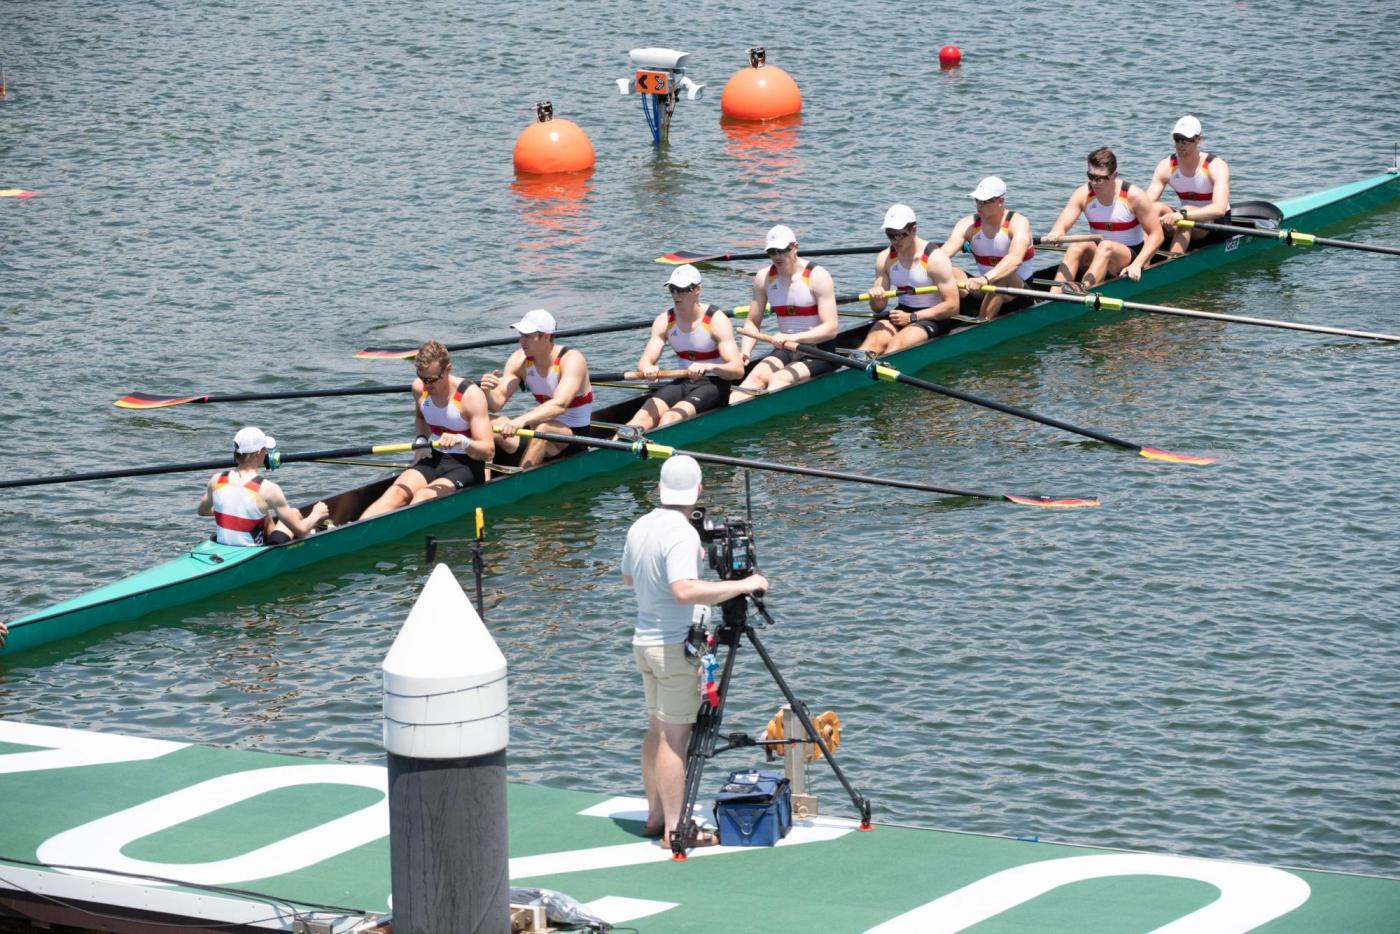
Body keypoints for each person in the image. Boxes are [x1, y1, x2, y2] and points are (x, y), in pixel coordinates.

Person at [621, 455, 769, 847]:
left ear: (660, 489)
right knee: (675, 739)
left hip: (644, 642)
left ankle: (654, 816)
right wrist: (743, 585)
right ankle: (675, 829)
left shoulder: (641, 525)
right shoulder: (682, 533)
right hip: (672, 647)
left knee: (655, 730)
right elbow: (684, 590)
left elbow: (628, 576)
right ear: (698, 491)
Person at [359, 340, 492, 520]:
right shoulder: (419, 388)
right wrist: (421, 439)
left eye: (431, 380)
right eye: (422, 378)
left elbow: (488, 450)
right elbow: (421, 418)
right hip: (434, 457)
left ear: (448, 369)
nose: (427, 385)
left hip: (466, 464)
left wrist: (463, 441)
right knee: (395, 494)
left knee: (422, 498)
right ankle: (351, 535)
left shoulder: (471, 396)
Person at [623, 265, 745, 432]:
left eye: (681, 289)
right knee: (640, 419)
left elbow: (737, 370)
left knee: (670, 418)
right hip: (683, 380)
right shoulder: (665, 320)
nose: (675, 295)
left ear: (697, 290)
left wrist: (709, 366)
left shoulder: (716, 320)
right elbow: (645, 361)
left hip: (714, 382)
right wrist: (647, 368)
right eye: (672, 289)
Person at [731, 225, 840, 403]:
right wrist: (745, 352)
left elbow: (831, 328)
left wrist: (795, 338)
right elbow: (752, 322)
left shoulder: (817, 276)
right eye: (772, 252)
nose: (777, 256)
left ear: (795, 247)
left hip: (819, 351)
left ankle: (769, 421)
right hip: (785, 348)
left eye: (782, 250)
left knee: (779, 379)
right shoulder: (763, 278)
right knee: (753, 378)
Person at [480, 309, 594, 467]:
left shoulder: (571, 359)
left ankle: (520, 485)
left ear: (546, 336)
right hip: (537, 431)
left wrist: (519, 421)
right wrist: (487, 391)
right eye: (521, 335)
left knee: (544, 428)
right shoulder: (519, 360)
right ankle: (479, 479)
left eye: (527, 336)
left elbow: (559, 405)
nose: (521, 341)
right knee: (485, 422)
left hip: (573, 437)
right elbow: (496, 404)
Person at [1043, 147, 1163, 291]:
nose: (1094, 182)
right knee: (1076, 246)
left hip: (1128, 255)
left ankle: (1083, 289)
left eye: (1099, 178)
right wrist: (1057, 233)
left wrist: (1137, 264)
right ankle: (1054, 294)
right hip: (1100, 251)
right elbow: (1062, 224)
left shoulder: (1134, 196)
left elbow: (1157, 235)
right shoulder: (1083, 194)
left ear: (1114, 175)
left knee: (1106, 246)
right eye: (1090, 176)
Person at [857, 204, 964, 355]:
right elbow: (878, 308)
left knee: (896, 346)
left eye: (900, 235)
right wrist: (875, 297)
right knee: (870, 346)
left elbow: (952, 306)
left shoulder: (935, 259)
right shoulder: (885, 258)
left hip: (934, 317)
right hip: (901, 313)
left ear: (914, 229)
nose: (895, 241)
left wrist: (913, 317)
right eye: (890, 235)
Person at [197, 427, 328, 546]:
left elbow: (202, 511)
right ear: (260, 452)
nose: (266, 452)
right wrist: (316, 514)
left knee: (269, 514)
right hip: (250, 555)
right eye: (265, 449)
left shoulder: (217, 480)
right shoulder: (268, 489)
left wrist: (228, 510)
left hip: (224, 549)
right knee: (295, 514)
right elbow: (301, 531)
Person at [940, 177, 1040, 320]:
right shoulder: (967, 225)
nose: (979, 206)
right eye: (977, 200)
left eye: (985, 201)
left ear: (1000, 201)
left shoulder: (1017, 223)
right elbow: (944, 253)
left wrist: (986, 279)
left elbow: (1015, 259)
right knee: (947, 272)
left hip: (1019, 294)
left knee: (1002, 278)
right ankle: (942, 317)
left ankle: (980, 325)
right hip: (986, 289)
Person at [1146, 115, 1232, 255]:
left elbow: (1219, 209)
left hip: (1217, 224)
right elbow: (1146, 203)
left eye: (1185, 140)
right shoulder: (1166, 166)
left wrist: (1184, 215)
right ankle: (1141, 262)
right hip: (1187, 219)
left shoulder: (1215, 166)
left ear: (1199, 140)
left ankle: (1171, 265)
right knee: (1153, 209)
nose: (1180, 145)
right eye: (1177, 139)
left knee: (1185, 215)